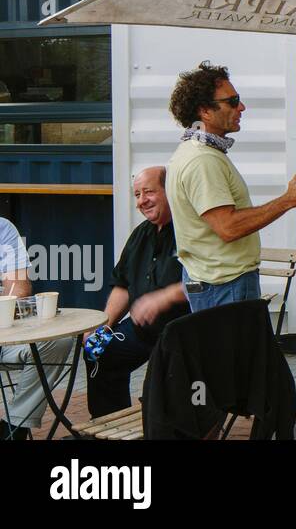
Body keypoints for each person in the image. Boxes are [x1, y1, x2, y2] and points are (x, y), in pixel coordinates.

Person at [165, 61, 296, 312]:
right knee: (234, 352)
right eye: (232, 101)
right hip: (225, 285)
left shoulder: (197, 151)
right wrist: (288, 200)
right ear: (205, 111)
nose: (241, 107)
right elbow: (228, 227)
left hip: (218, 283)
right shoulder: (202, 159)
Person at [84, 167, 189, 418]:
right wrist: (103, 325)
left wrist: (164, 298)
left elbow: (206, 282)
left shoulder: (191, 231)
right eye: (137, 194)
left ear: (169, 191)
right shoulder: (141, 234)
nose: (142, 201)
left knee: (157, 380)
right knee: (97, 350)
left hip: (180, 332)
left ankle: (161, 428)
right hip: (141, 329)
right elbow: (122, 284)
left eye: (149, 192)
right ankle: (108, 425)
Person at [0, 219, 77, 440]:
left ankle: (15, 426)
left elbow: (19, 288)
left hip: (5, 337)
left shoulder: (2, 228)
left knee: (58, 341)